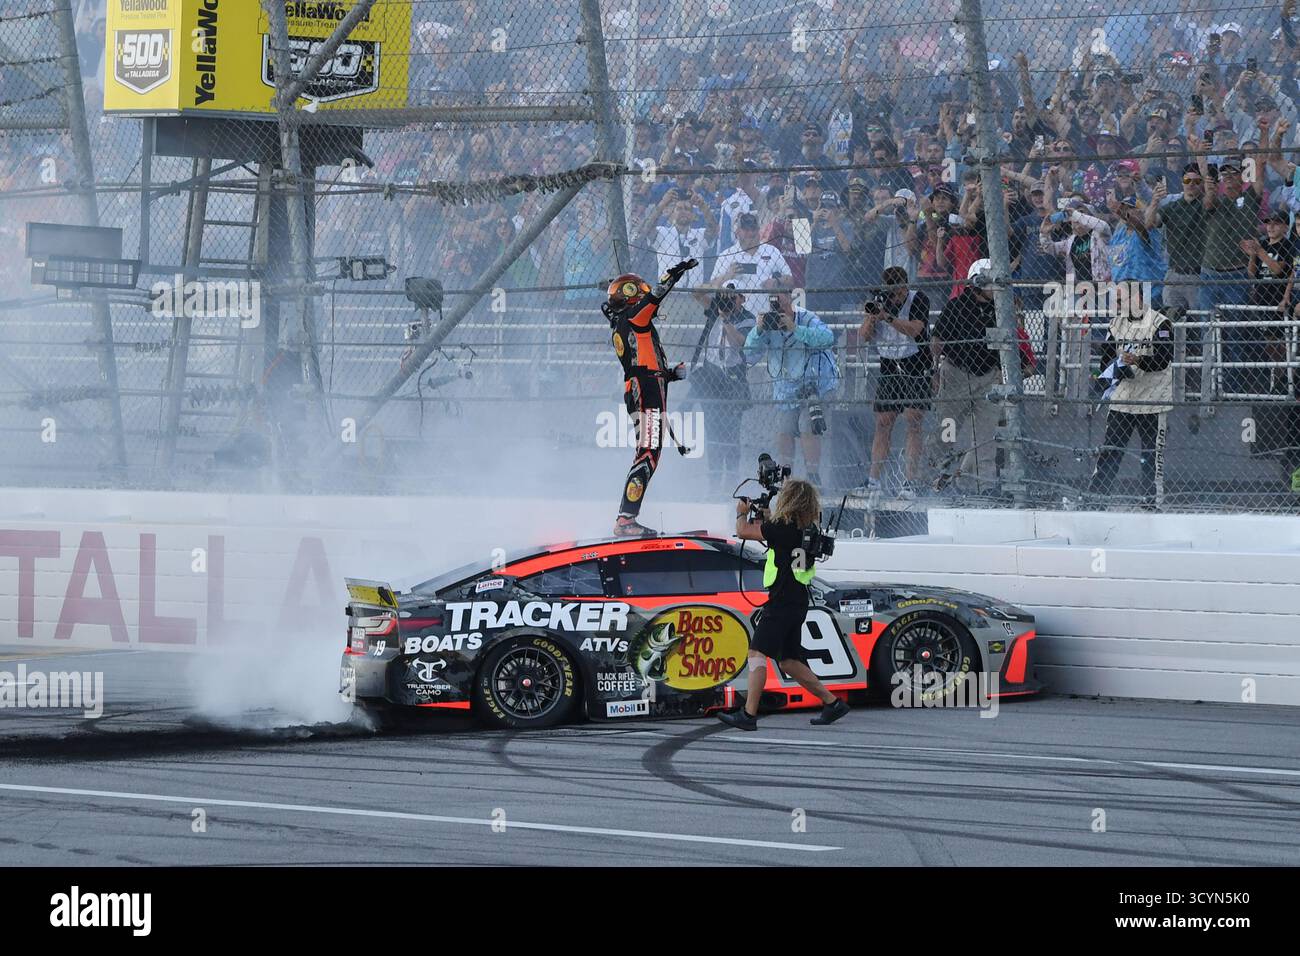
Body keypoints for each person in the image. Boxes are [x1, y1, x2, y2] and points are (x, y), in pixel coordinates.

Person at [718, 479, 850, 730]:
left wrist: (741, 513)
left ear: (788, 500)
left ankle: (748, 715)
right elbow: (775, 536)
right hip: (798, 599)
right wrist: (766, 516)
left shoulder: (782, 526)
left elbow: (745, 532)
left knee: (757, 653)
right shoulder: (807, 527)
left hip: (781, 602)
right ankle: (833, 703)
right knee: (788, 661)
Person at [604, 259, 699, 537]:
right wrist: (673, 275)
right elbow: (655, 296)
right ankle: (626, 519)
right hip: (645, 389)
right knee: (647, 452)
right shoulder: (634, 317)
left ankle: (627, 518)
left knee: (649, 451)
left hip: (645, 386)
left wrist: (668, 374)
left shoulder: (627, 323)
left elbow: (641, 361)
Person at [1087, 282, 1175, 509]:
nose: (1115, 305)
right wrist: (1104, 373)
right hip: (1122, 400)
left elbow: (1163, 360)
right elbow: (1105, 360)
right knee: (1110, 451)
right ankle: (1096, 500)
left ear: (1137, 298)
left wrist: (1137, 360)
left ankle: (1150, 502)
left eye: (1120, 299)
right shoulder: (1115, 324)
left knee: (1151, 456)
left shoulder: (1160, 323)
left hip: (1152, 402)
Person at [744, 285, 838, 488]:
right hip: (786, 387)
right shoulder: (768, 322)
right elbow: (749, 353)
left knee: (806, 425)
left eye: (780, 298)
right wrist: (758, 330)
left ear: (789, 298)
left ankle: (813, 477)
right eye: (773, 300)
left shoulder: (807, 318)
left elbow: (828, 338)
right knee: (785, 429)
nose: (777, 304)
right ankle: (785, 477)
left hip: (816, 383)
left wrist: (796, 329)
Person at [854, 267, 931, 500]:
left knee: (913, 419)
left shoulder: (918, 298)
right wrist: (871, 316)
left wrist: (887, 316)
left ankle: (910, 481)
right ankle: (873, 480)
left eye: (896, 292)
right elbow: (864, 336)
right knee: (883, 422)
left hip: (915, 361)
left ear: (904, 287)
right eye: (890, 291)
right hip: (889, 363)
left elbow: (915, 330)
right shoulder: (880, 300)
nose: (893, 297)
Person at [928, 258, 1004, 495]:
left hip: (987, 378)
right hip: (956, 375)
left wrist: (1002, 371)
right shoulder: (956, 306)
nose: (995, 287)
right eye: (990, 281)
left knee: (985, 437)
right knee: (947, 428)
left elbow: (1008, 343)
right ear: (978, 281)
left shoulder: (1000, 308)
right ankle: (939, 474)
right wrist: (934, 370)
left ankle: (985, 487)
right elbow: (937, 340)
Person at [688, 283, 756, 493]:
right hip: (711, 374)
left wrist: (726, 318)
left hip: (732, 377)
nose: (729, 300)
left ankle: (732, 481)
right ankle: (714, 483)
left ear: (742, 299)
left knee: (731, 433)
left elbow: (740, 343)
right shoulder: (715, 307)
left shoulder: (748, 318)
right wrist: (721, 283)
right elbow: (696, 293)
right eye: (727, 296)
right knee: (713, 433)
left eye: (734, 297)